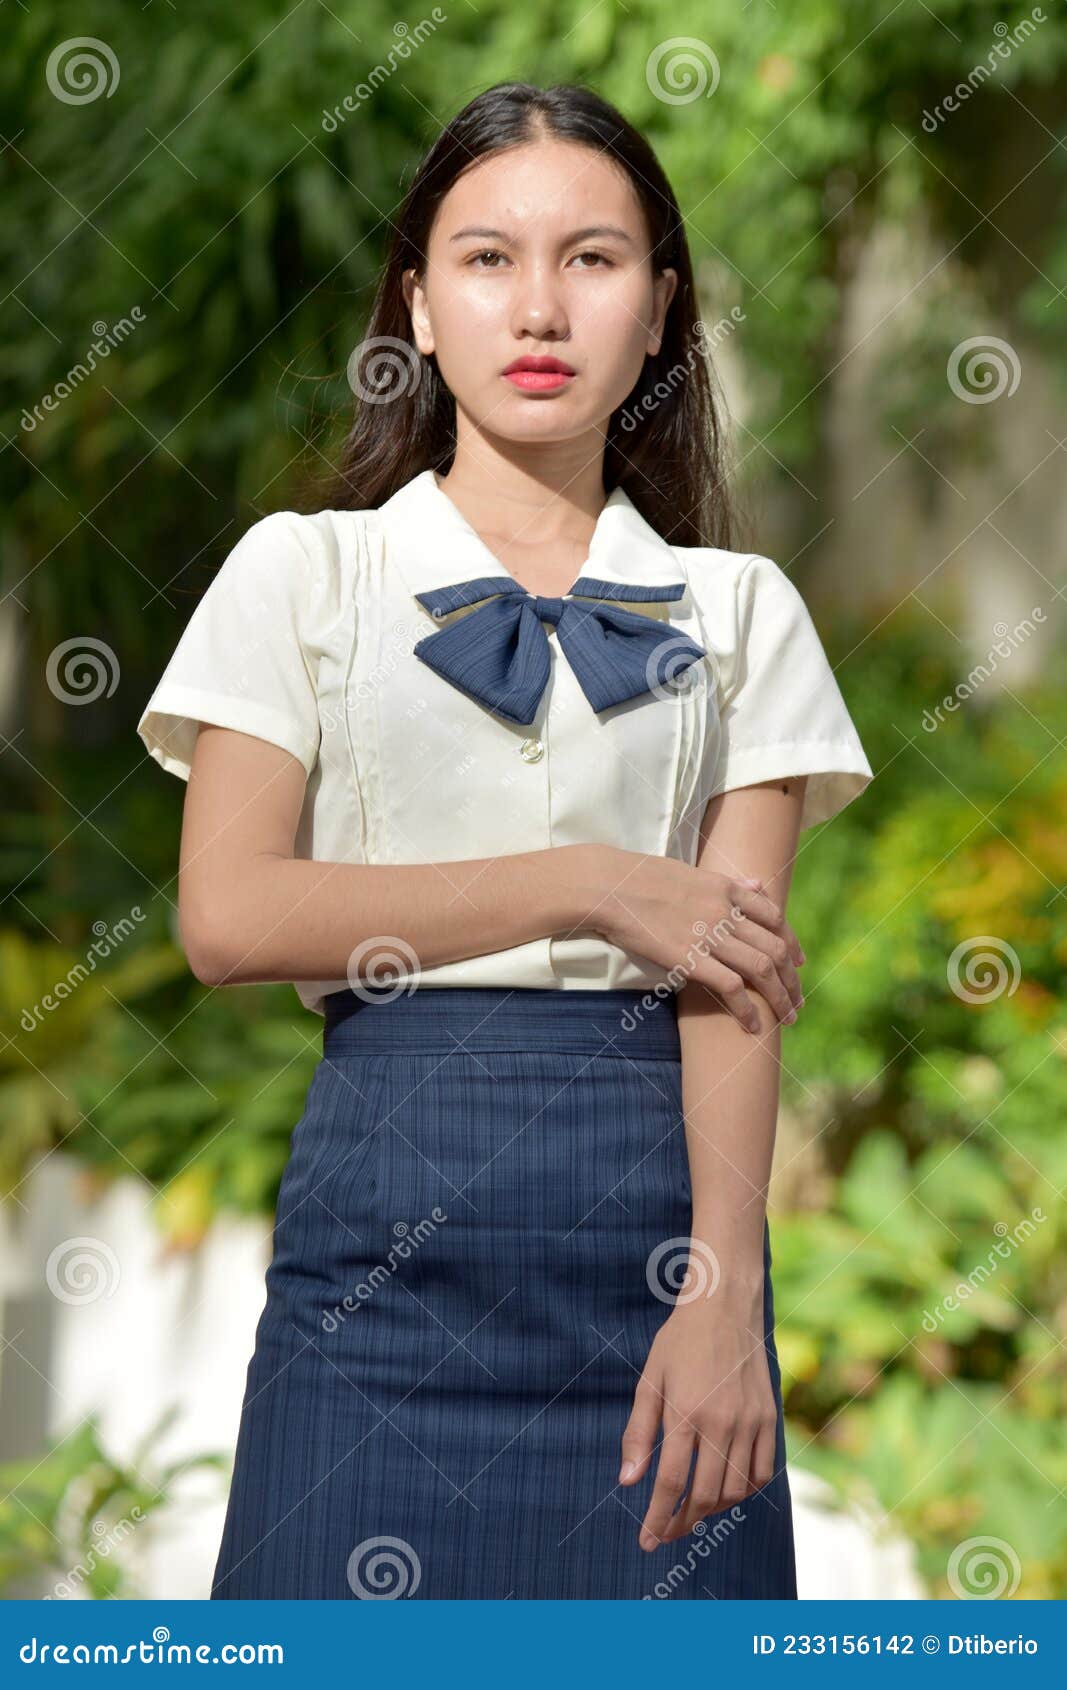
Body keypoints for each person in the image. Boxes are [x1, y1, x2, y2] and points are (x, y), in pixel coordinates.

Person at [137, 81, 873, 1600]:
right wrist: (588, 884)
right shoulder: (304, 575)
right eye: (487, 259)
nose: (540, 307)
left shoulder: (741, 611)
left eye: (593, 259)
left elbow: (734, 980)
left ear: (660, 310)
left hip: (658, 1269)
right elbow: (228, 915)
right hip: (376, 1268)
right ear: (417, 300)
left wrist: (725, 1302)